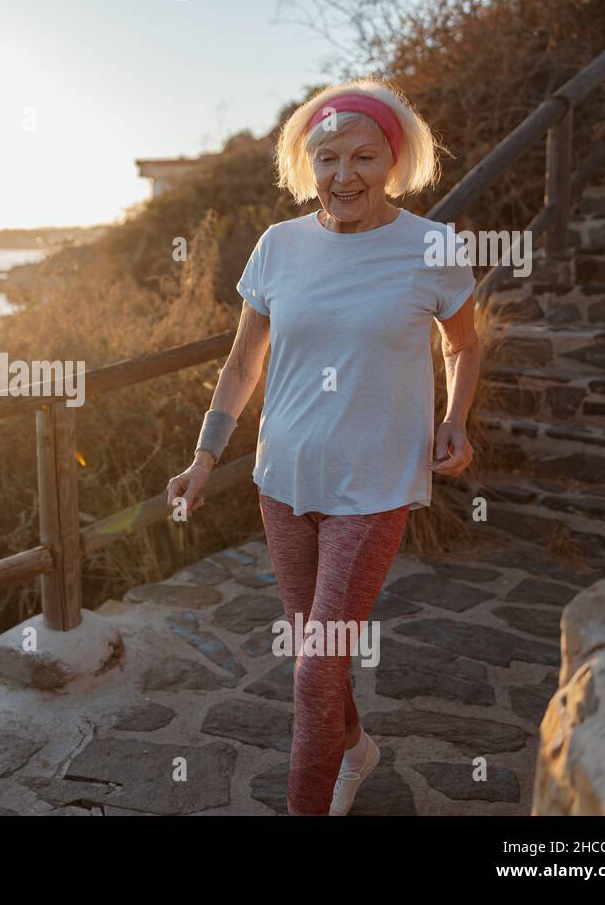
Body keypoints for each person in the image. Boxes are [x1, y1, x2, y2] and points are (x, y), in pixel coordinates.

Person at [166, 77, 482, 816]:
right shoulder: (279, 247)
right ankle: (354, 750)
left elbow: (463, 345)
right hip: (282, 482)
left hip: (373, 487)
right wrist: (205, 457)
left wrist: (456, 418)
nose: (345, 175)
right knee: (317, 652)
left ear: (394, 162)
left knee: (311, 671)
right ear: (309, 165)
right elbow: (242, 366)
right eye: (329, 157)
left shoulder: (432, 246)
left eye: (365, 157)